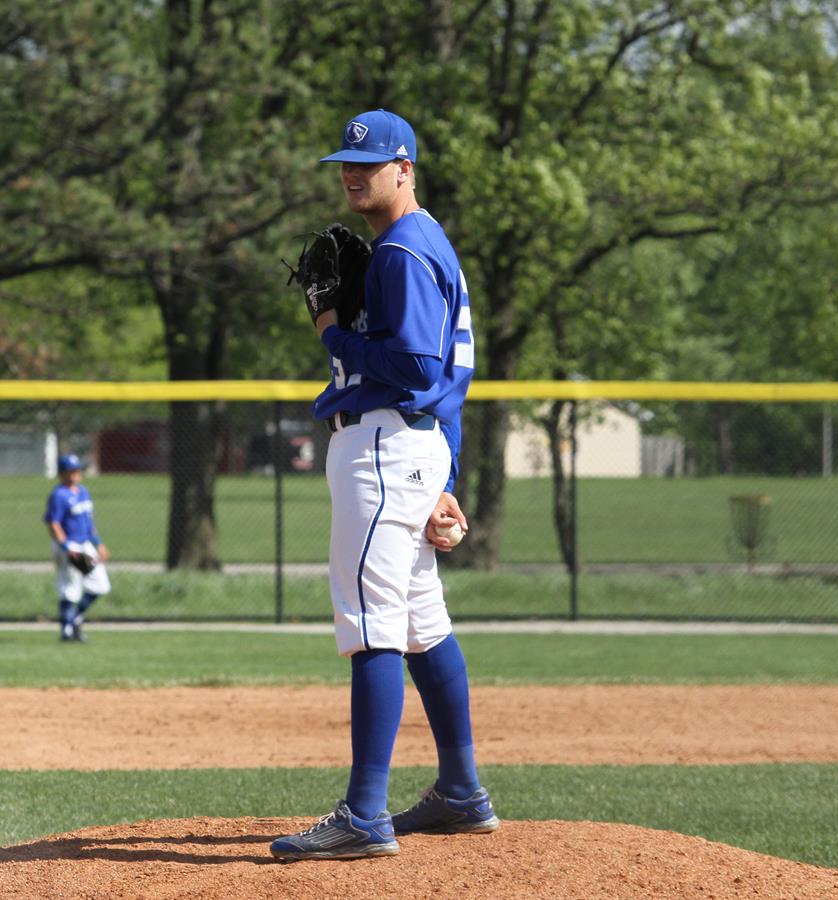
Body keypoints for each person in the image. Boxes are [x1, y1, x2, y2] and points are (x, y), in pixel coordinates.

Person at [270, 109, 496, 861]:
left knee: (371, 624)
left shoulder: (400, 252)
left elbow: (420, 370)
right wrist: (444, 474)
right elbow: (449, 378)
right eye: (346, 163)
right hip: (411, 448)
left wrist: (333, 330)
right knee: (420, 622)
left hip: (381, 447)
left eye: (369, 164)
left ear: (406, 168)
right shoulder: (426, 245)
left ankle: (365, 813)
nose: (352, 174)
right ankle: (461, 791)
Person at [44, 453, 110, 642]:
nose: (75, 474)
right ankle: (67, 629)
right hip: (70, 546)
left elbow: (89, 522)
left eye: (77, 471)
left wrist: (99, 544)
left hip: (85, 544)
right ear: (62, 473)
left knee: (100, 585)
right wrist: (66, 547)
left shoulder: (83, 492)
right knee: (71, 586)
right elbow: (53, 524)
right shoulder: (59, 495)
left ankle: (72, 620)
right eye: (70, 471)